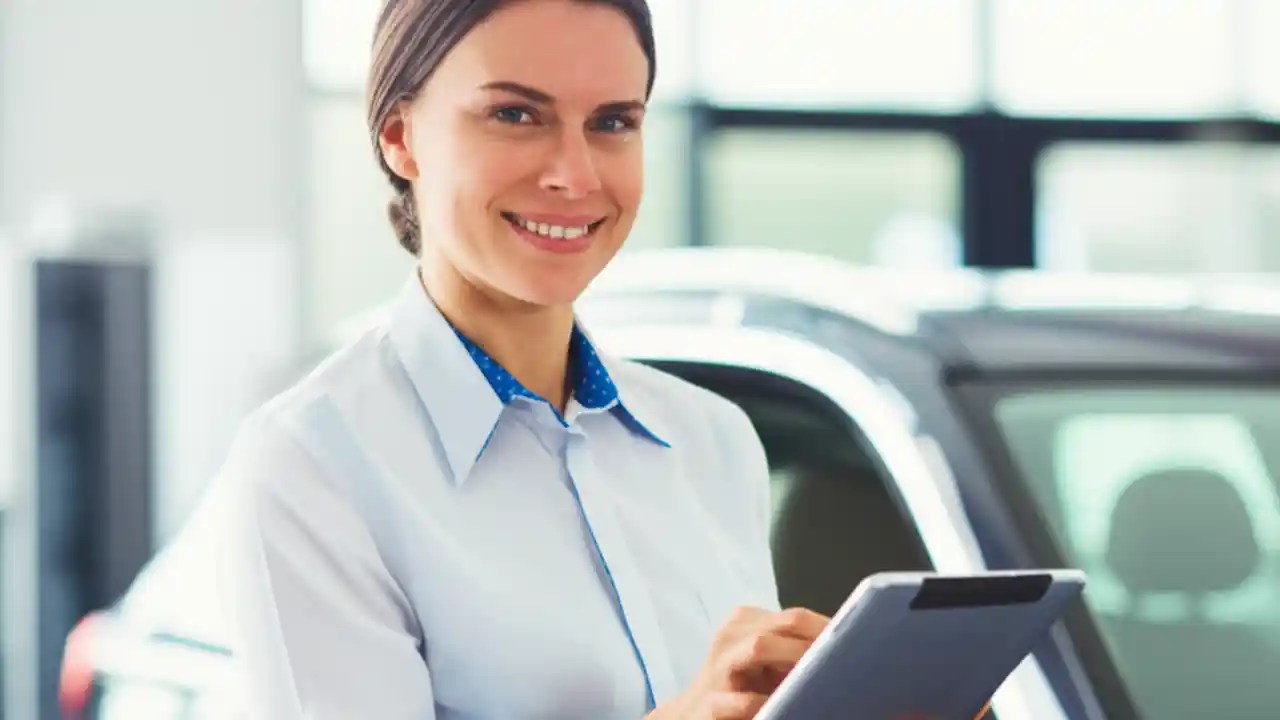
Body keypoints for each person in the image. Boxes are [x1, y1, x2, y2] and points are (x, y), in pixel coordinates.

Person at [198, 0, 833, 717]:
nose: (575, 175)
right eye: (515, 115)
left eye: (612, 123)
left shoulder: (712, 440)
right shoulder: (313, 465)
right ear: (400, 135)